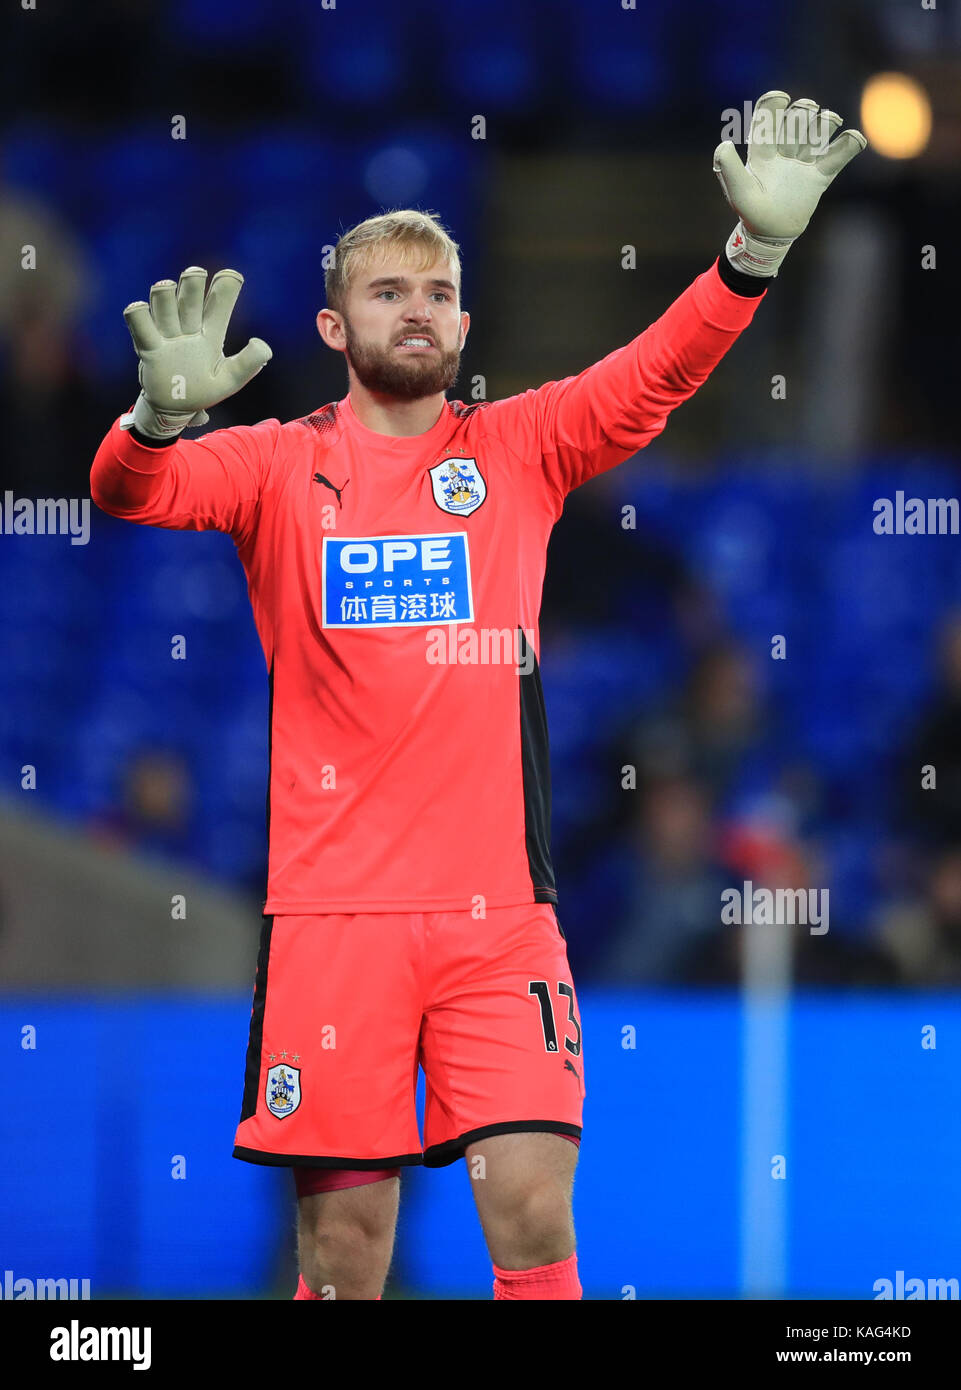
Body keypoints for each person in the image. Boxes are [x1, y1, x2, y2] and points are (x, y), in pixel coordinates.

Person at [89, 92, 865, 1300]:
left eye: (441, 291)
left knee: (532, 1208)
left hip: (497, 915)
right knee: (346, 1255)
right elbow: (129, 494)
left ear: (465, 320)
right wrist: (150, 421)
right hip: (332, 919)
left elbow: (654, 376)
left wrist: (750, 254)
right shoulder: (275, 465)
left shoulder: (518, 448)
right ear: (333, 324)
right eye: (390, 290)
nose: (420, 309)